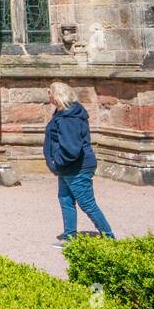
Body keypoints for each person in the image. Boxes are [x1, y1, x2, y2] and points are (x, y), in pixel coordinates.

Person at [43, 81, 115, 246]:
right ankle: (70, 236)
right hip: (68, 168)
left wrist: (56, 161)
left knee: (87, 204)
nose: (48, 95)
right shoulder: (63, 113)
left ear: (56, 95)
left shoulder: (69, 117)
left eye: (49, 92)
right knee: (66, 200)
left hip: (76, 168)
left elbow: (71, 148)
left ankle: (110, 238)